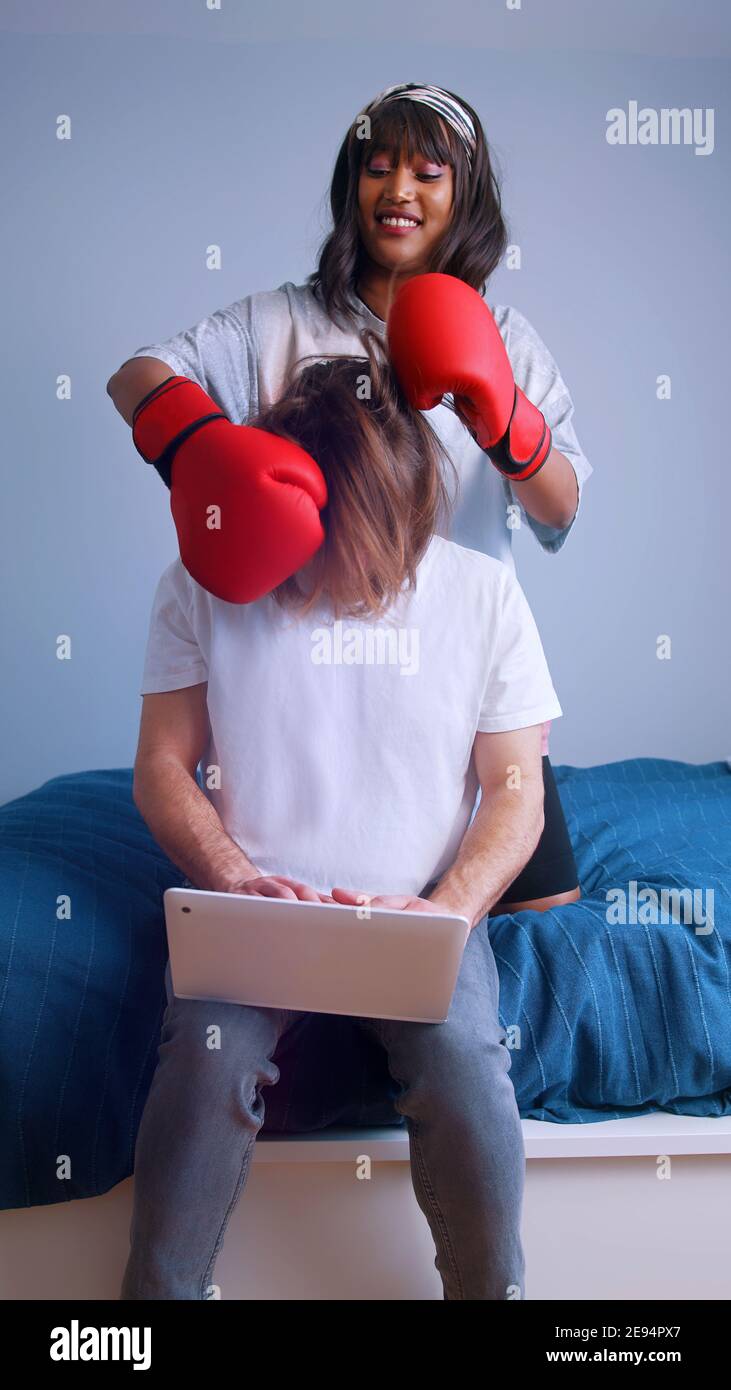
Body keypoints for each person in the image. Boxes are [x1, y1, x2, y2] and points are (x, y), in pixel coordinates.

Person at [120, 336, 563, 1300]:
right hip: (255, 909)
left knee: (464, 1072)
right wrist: (235, 878)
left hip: (420, 914)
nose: (345, 586)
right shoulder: (201, 583)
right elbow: (161, 765)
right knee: (202, 1068)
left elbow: (516, 791)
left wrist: (450, 909)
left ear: (407, 510)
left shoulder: (482, 594)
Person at [107, 81, 591, 914]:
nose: (398, 191)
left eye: (427, 172)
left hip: (456, 668)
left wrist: (502, 413)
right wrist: (201, 447)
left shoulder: (505, 337)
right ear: (351, 187)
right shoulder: (273, 324)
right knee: (288, 901)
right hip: (301, 666)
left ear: (462, 195)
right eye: (377, 167)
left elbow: (559, 511)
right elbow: (135, 377)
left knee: (543, 923)